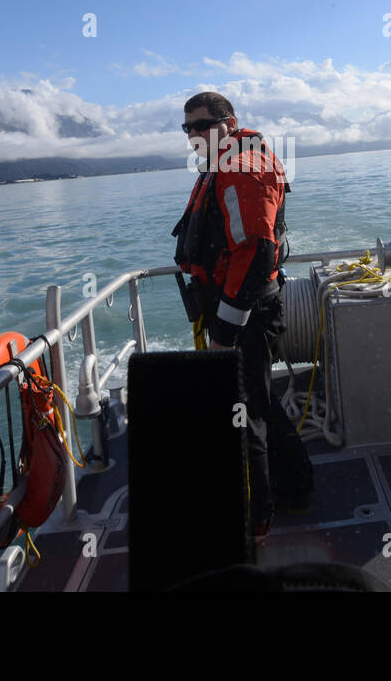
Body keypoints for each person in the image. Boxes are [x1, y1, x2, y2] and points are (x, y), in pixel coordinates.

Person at [171, 92, 312, 540]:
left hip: (243, 315)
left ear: (228, 124)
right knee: (257, 402)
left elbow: (256, 254)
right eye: (186, 127)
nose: (194, 134)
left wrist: (225, 333)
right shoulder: (223, 163)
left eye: (202, 125)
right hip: (235, 309)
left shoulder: (241, 169)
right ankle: (297, 487)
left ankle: (254, 520)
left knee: (243, 412)